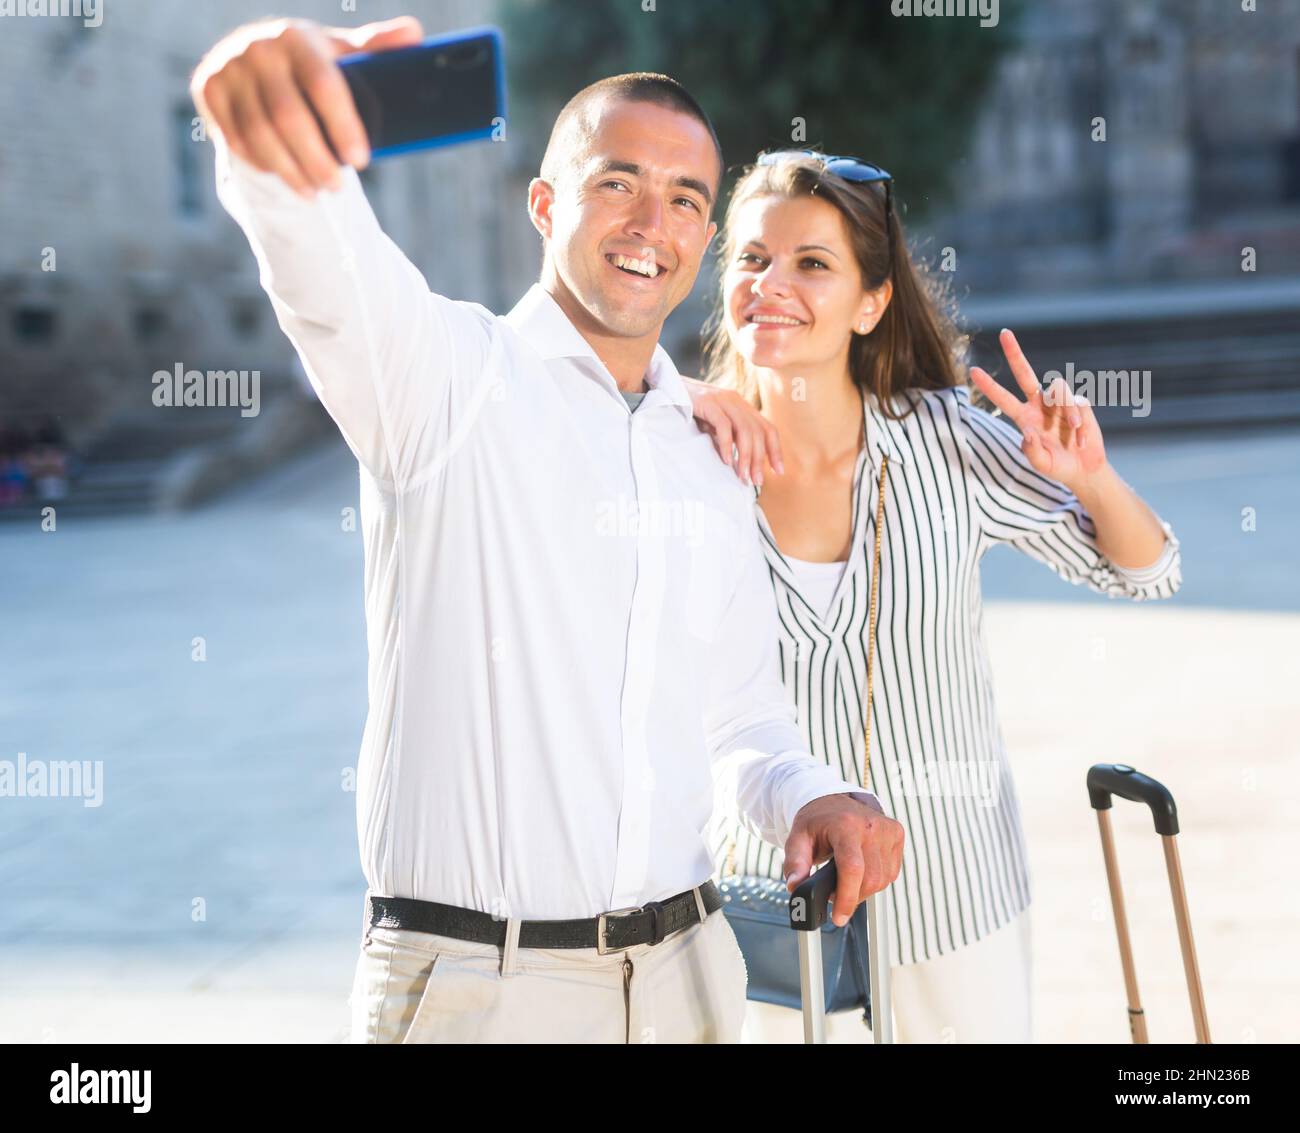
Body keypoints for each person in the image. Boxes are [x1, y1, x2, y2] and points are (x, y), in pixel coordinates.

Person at [190, 17, 904, 1044]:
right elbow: (324, 268)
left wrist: (813, 791)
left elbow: (742, 716)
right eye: (616, 182)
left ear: (705, 240)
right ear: (545, 202)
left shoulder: (709, 454)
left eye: (685, 200)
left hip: (690, 978)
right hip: (485, 988)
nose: (648, 221)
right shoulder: (443, 381)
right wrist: (262, 120)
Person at [691, 151, 1182, 1043]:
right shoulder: (685, 460)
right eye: (752, 259)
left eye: (812, 262)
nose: (774, 284)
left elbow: (1145, 571)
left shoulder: (948, 440)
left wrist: (1093, 480)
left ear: (871, 302)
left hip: (955, 905)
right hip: (767, 912)